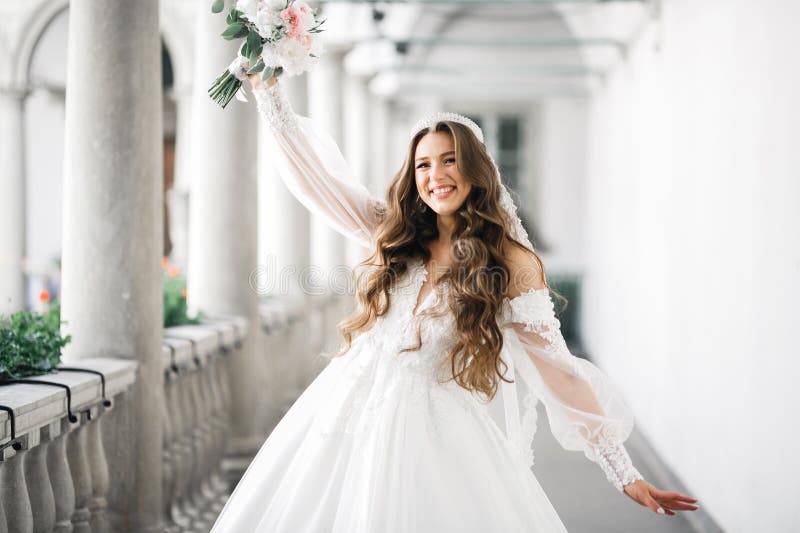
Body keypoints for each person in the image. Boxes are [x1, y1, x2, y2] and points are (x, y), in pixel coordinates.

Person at [210, 72, 698, 532]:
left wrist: (623, 472)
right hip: (341, 421)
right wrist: (270, 92)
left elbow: (561, 372)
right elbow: (320, 183)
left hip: (429, 436)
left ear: (476, 170)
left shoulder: (511, 262)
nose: (436, 175)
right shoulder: (396, 234)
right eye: (424, 164)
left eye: (449, 160)